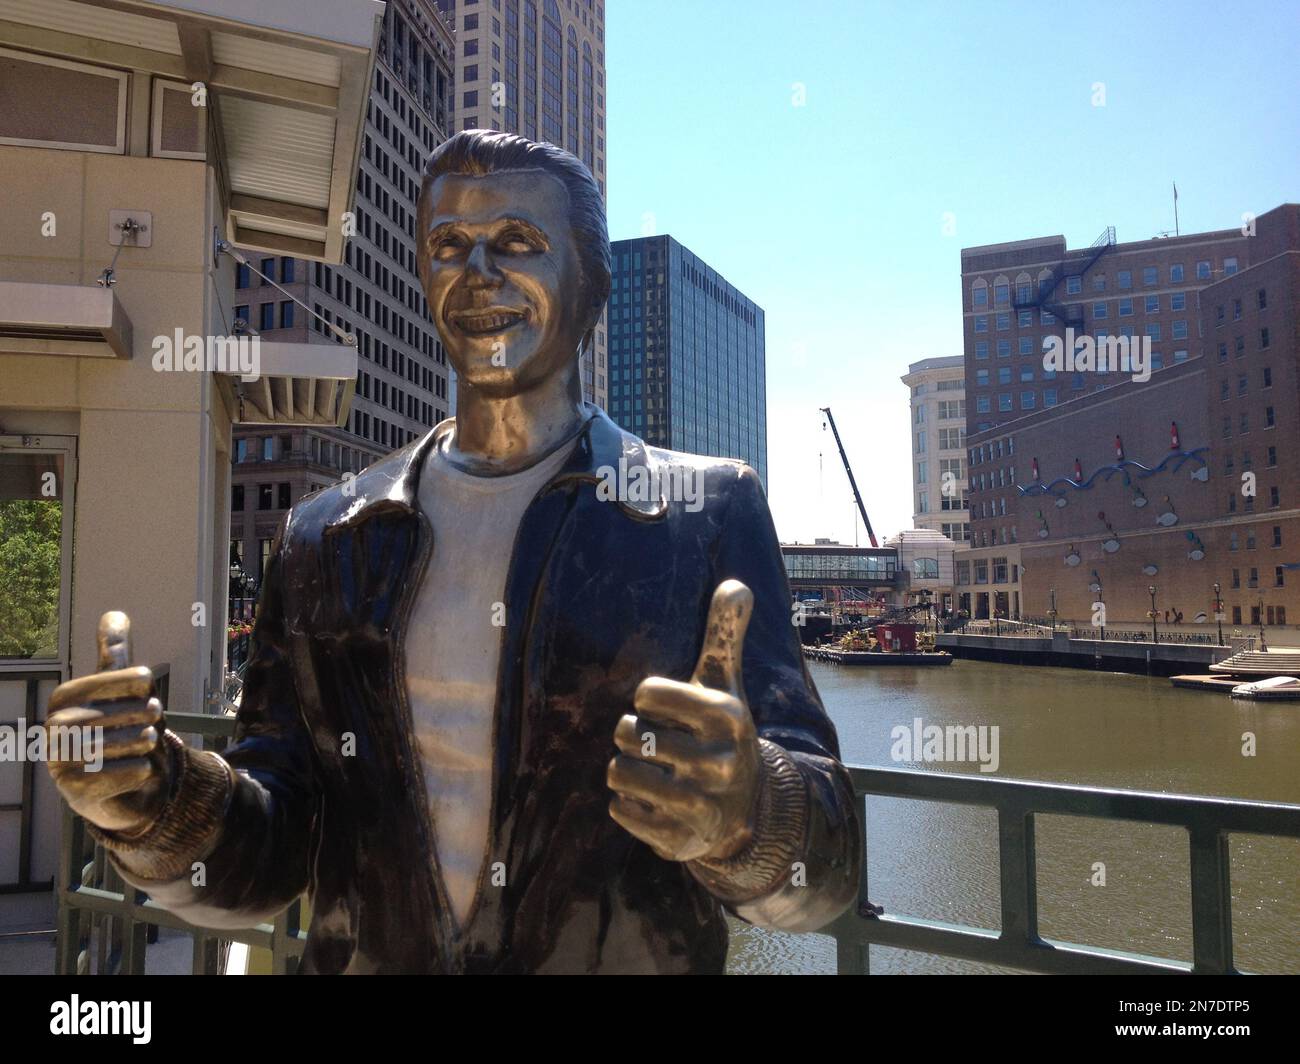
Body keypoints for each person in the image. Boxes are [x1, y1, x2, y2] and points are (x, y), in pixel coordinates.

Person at [43, 130, 861, 974]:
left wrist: (752, 811)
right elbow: (275, 849)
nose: (477, 271)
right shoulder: (326, 535)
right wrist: (153, 805)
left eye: (517, 243)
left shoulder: (704, 513)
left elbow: (827, 875)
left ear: (591, 287)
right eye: (448, 247)